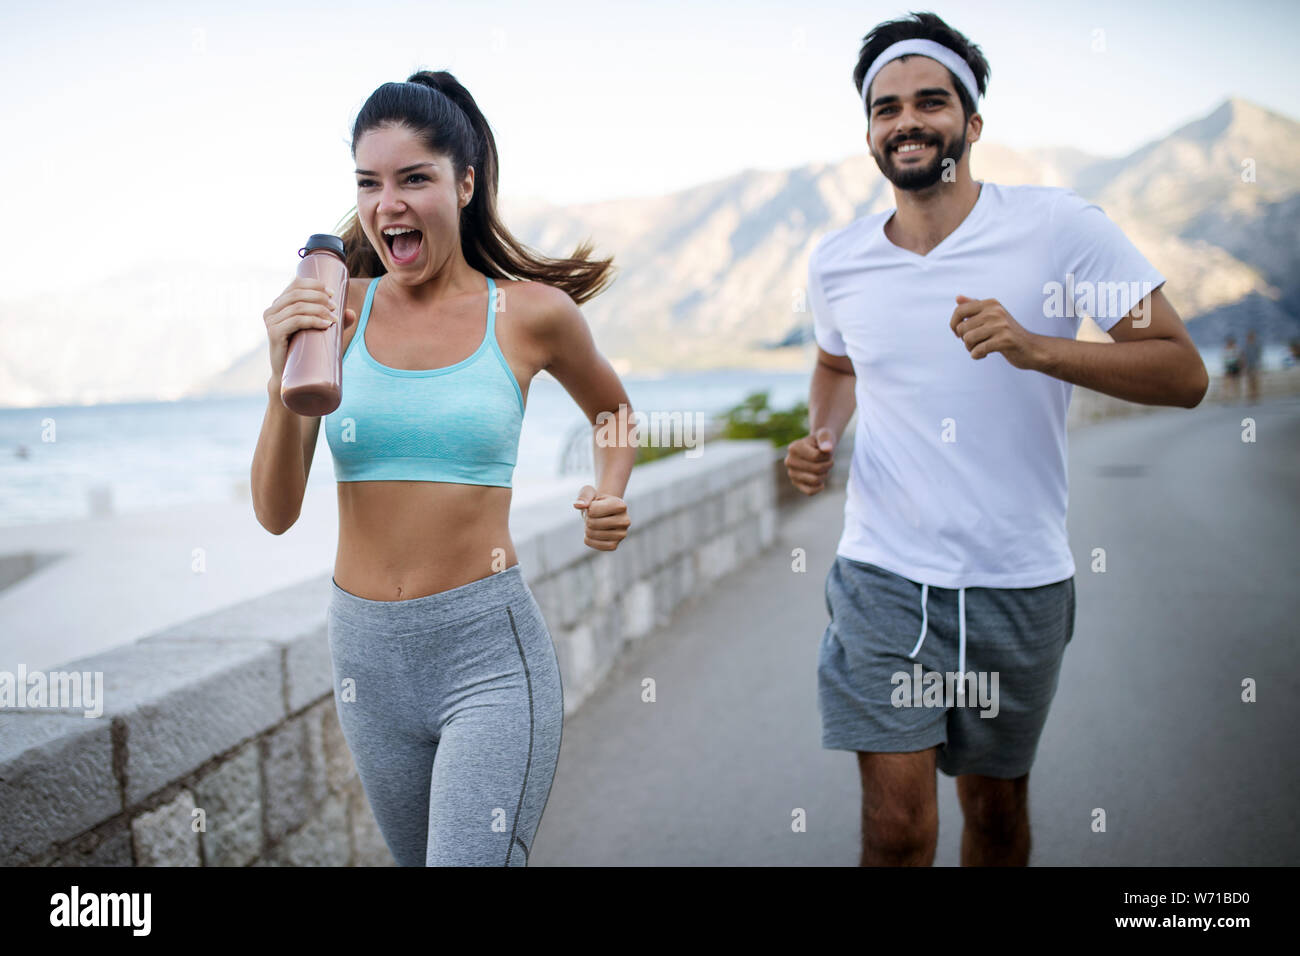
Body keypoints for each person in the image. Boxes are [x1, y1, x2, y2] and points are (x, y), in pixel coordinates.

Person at [784, 12, 1208, 867]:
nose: (905, 121)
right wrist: (820, 436)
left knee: (997, 811)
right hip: (884, 575)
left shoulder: (1058, 228)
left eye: (929, 101)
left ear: (971, 124)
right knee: (898, 830)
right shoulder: (838, 261)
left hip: (1017, 580)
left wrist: (1035, 346)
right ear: (869, 131)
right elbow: (837, 364)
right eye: (885, 107)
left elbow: (1183, 373)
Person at [251, 70, 637, 866]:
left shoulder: (529, 314)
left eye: (413, 178)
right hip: (365, 663)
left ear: (464, 183)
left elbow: (613, 413)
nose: (386, 204)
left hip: (488, 659)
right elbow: (276, 511)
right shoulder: (335, 314)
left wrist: (610, 488)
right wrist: (278, 372)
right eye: (368, 182)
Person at [1242, 329, 1262, 404]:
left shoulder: (1256, 345)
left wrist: (1259, 364)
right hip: (1248, 366)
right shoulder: (1246, 346)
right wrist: (1244, 366)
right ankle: (1251, 396)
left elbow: (1259, 356)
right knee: (1249, 381)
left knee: (1255, 381)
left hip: (1255, 365)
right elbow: (1243, 356)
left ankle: (1256, 395)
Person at [1222, 335, 1242, 402]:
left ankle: (1236, 396)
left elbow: (1239, 358)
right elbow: (1224, 359)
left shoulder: (1236, 349)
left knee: (1235, 382)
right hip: (1228, 367)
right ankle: (1227, 396)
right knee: (1228, 383)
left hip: (1235, 367)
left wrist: (1240, 366)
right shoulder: (1226, 349)